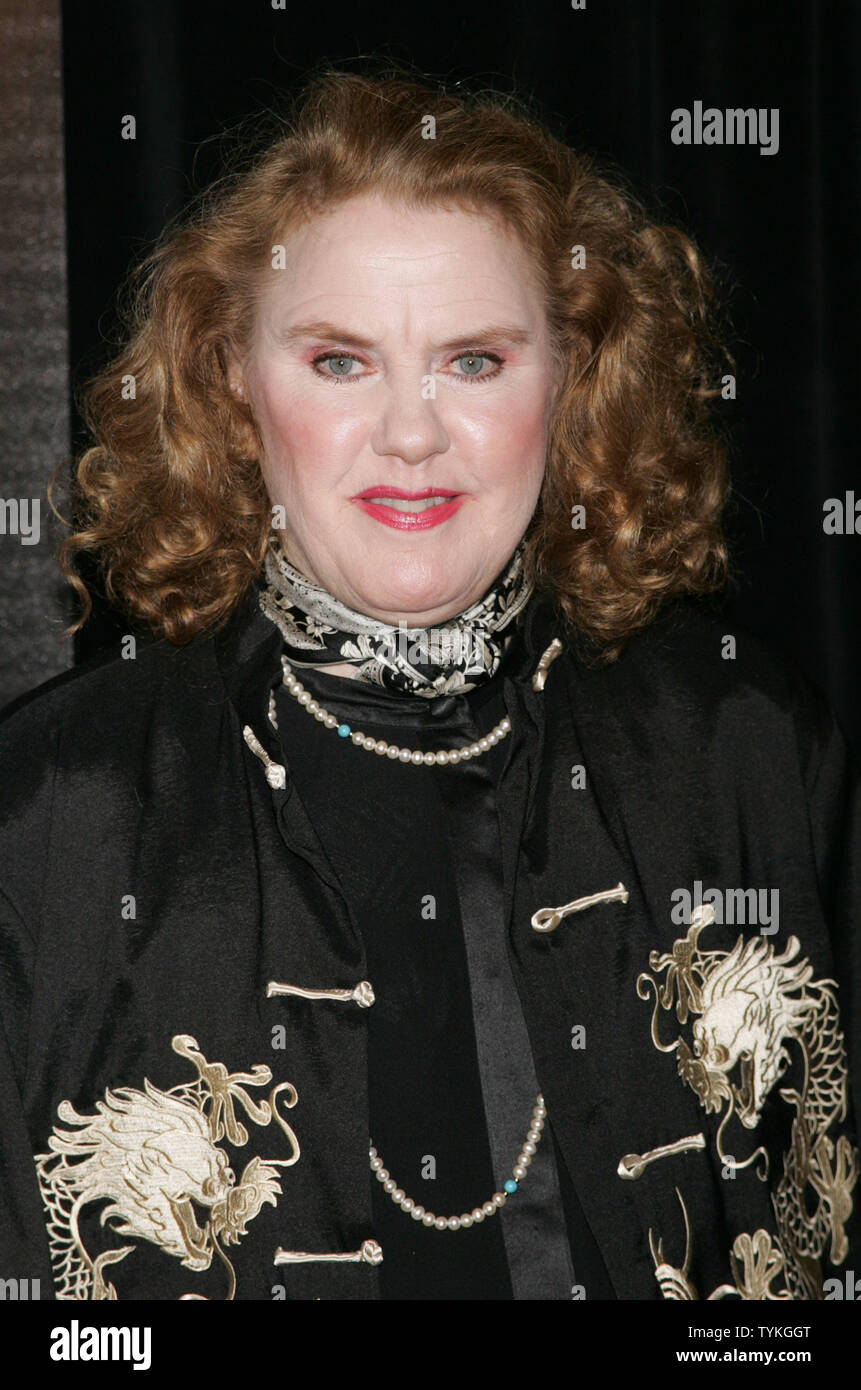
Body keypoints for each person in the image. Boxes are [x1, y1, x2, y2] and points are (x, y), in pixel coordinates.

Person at [1, 67, 858, 1302]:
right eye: (341, 361)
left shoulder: (750, 745)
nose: (412, 433)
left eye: (474, 360)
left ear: (572, 380)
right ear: (235, 384)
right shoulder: (47, 816)